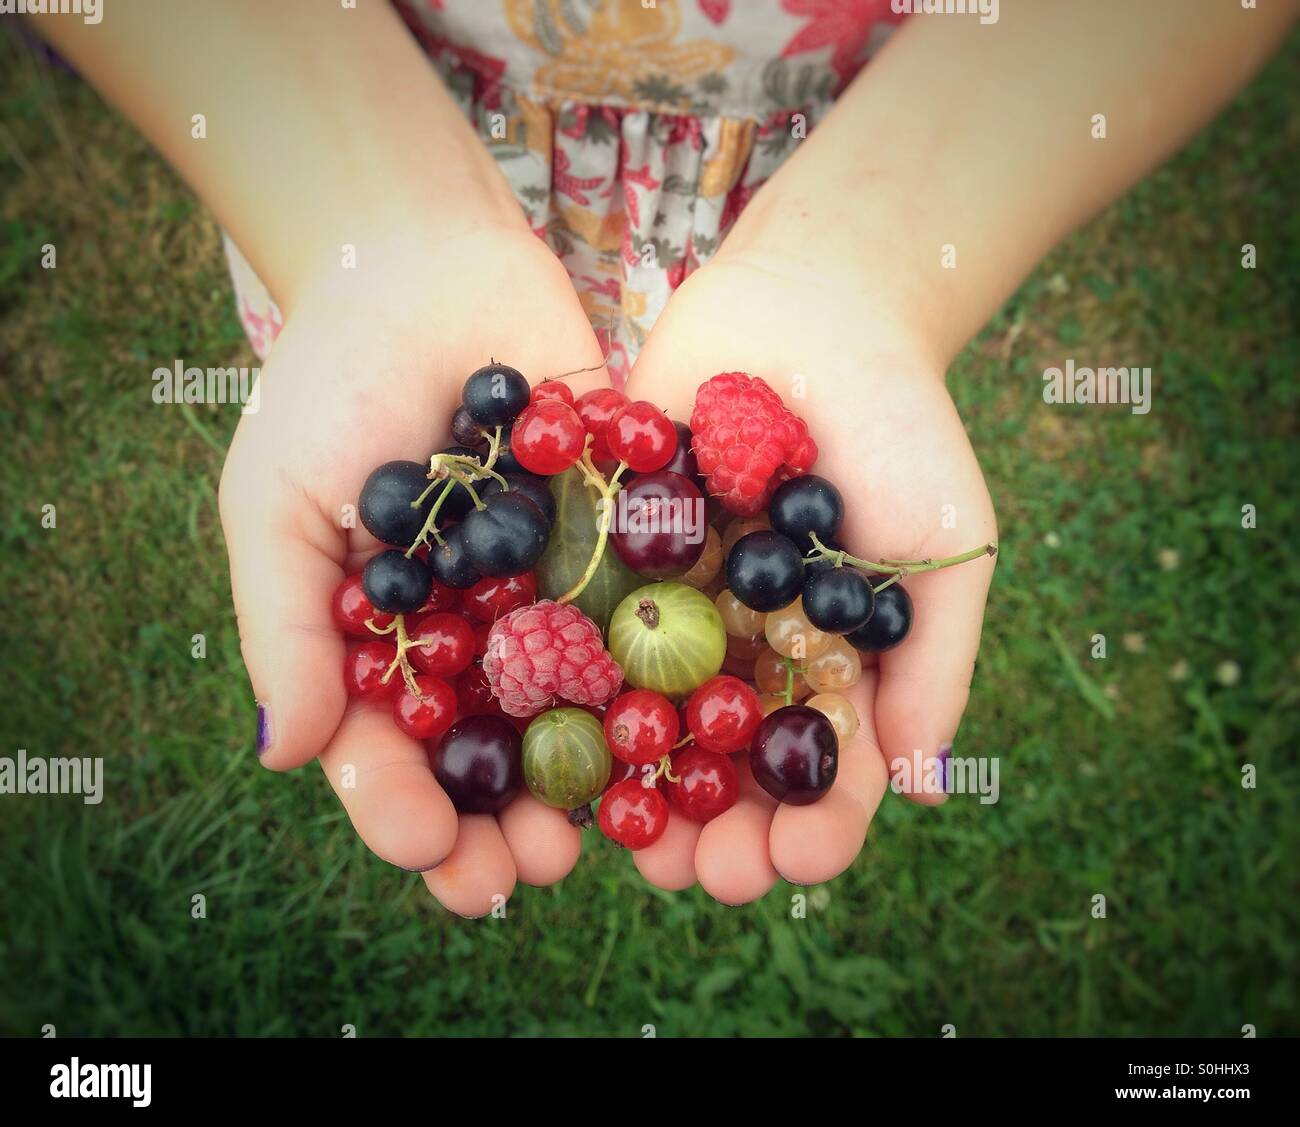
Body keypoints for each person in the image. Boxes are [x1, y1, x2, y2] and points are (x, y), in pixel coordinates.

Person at [30, 0, 1297, 915]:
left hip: (832, 174)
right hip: (372, 151)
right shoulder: (509, 505)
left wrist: (874, 267)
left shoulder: (694, 555)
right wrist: (367, 227)